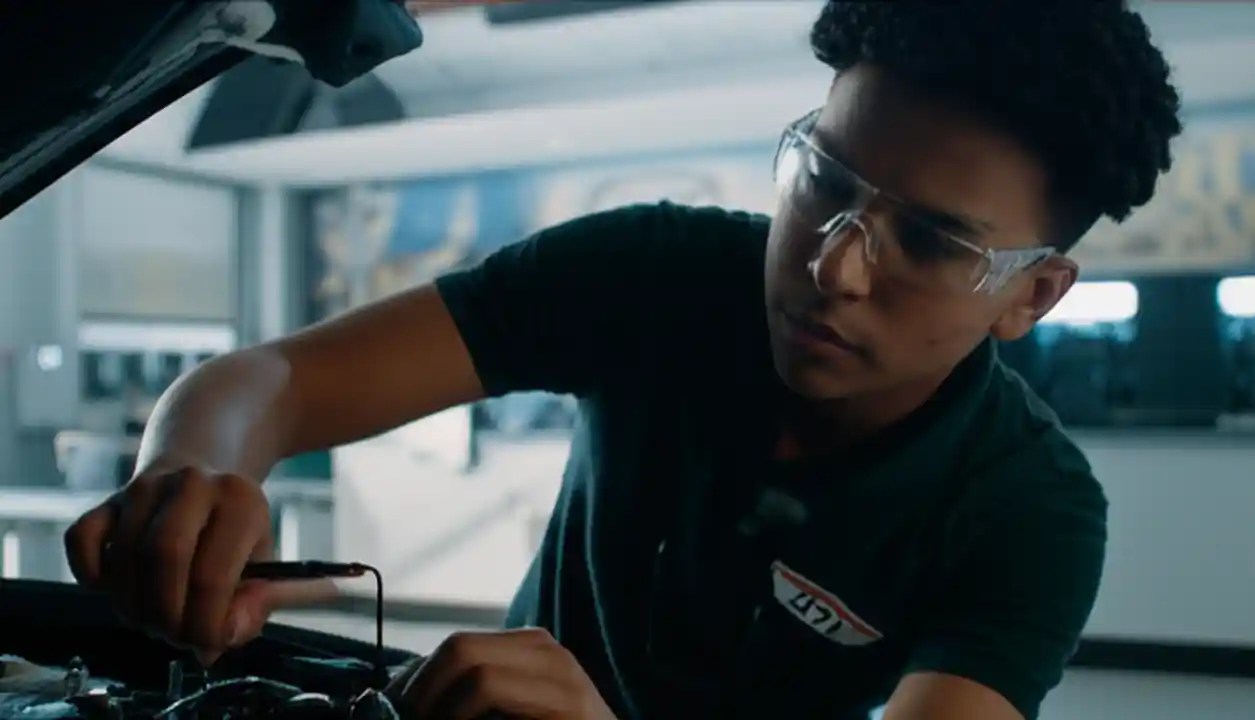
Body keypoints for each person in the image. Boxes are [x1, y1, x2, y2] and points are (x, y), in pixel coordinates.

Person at [63, 2, 1183, 718]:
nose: (833, 269)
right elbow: (278, 381)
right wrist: (195, 470)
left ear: (1029, 297)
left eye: (931, 241)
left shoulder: (1028, 511)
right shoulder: (659, 272)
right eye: (825, 183)